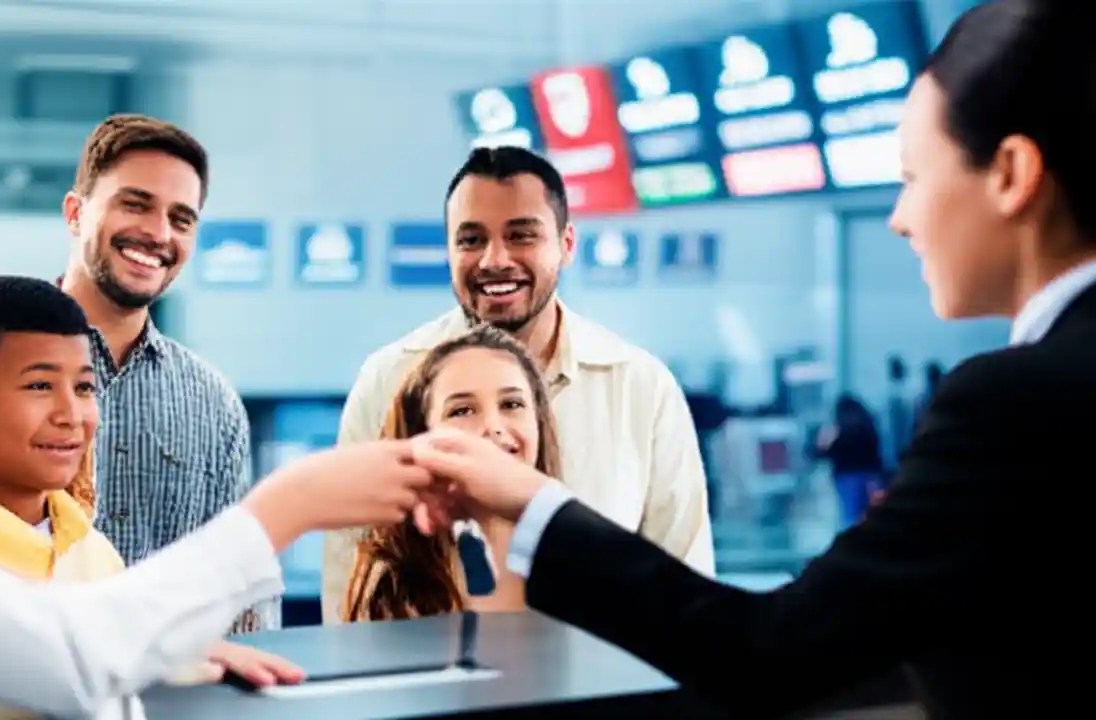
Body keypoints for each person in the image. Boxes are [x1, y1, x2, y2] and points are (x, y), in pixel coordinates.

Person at [408, 2, 1090, 717]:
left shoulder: (1011, 403)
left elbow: (770, 655)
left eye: (914, 177)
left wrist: (526, 500)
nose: (900, 216)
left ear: (1011, 172)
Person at [0, 42, 432, 718]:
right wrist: (289, 507)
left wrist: (188, 656)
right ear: (76, 213)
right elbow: (32, 644)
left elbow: (179, 627)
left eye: (182, 217)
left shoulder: (201, 409)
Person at [0, 111, 280, 630]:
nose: (157, 233)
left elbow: (240, 596)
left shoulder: (212, 401)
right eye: (135, 204)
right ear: (75, 213)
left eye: (181, 218)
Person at [324, 145, 713, 622]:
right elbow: (352, 578)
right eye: (470, 240)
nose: (495, 259)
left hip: (605, 687)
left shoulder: (639, 385)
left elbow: (685, 584)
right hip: (435, 683)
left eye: (521, 235)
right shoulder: (389, 378)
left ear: (567, 245)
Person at [0, 276, 304, 719]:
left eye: (84, 388)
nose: (72, 416)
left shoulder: (93, 552)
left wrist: (173, 655)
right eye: (39, 386)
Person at [342, 325, 562, 621]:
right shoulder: (393, 585)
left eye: (512, 404)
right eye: (462, 411)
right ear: (422, 434)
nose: (493, 427)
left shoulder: (580, 565)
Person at [814, 394, 885, 527]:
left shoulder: (838, 431)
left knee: (850, 515)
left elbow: (822, 454)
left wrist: (823, 442)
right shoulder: (868, 426)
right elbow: (876, 452)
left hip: (846, 477)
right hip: (871, 475)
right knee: (872, 512)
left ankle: (854, 543)